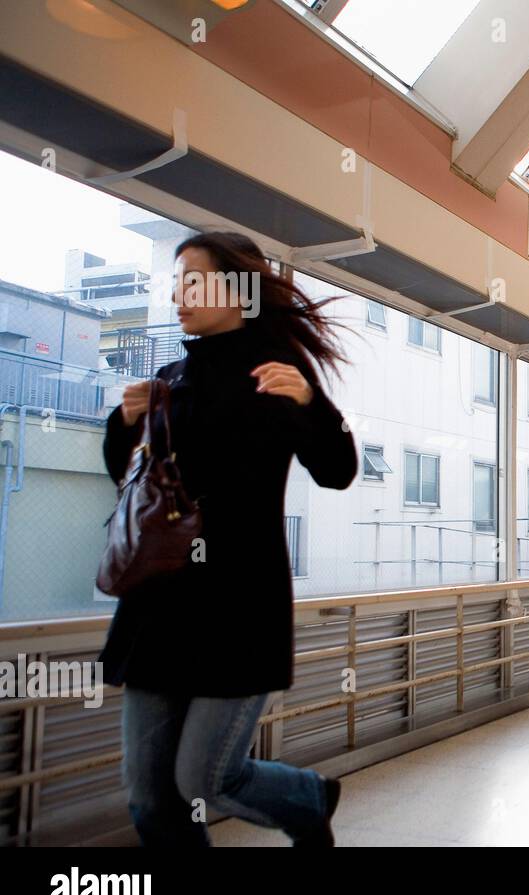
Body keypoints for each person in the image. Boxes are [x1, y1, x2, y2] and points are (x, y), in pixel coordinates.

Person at [99, 232, 358, 846]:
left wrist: (312, 404)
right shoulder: (169, 381)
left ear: (237, 289)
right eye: (175, 281)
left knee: (205, 778)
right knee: (148, 794)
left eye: (192, 279)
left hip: (240, 612)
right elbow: (126, 479)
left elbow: (339, 471)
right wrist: (123, 421)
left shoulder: (276, 376)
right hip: (158, 611)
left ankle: (308, 798)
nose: (176, 294)